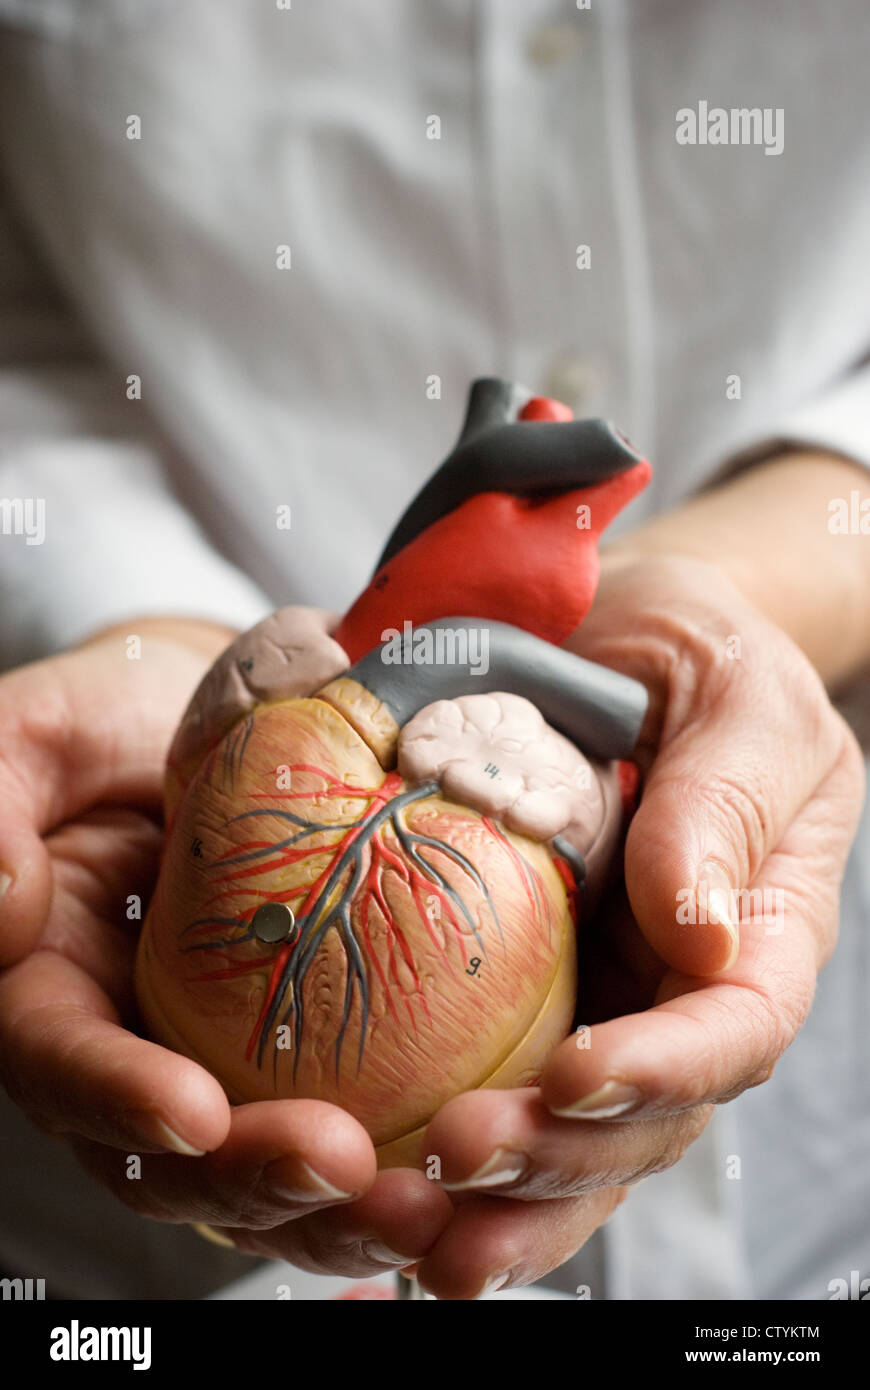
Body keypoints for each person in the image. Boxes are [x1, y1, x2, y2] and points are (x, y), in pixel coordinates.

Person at [0, 0, 868, 1301]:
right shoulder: (334, 694)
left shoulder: (418, 677)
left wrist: (746, 591)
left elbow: (541, 683)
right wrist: (133, 623)